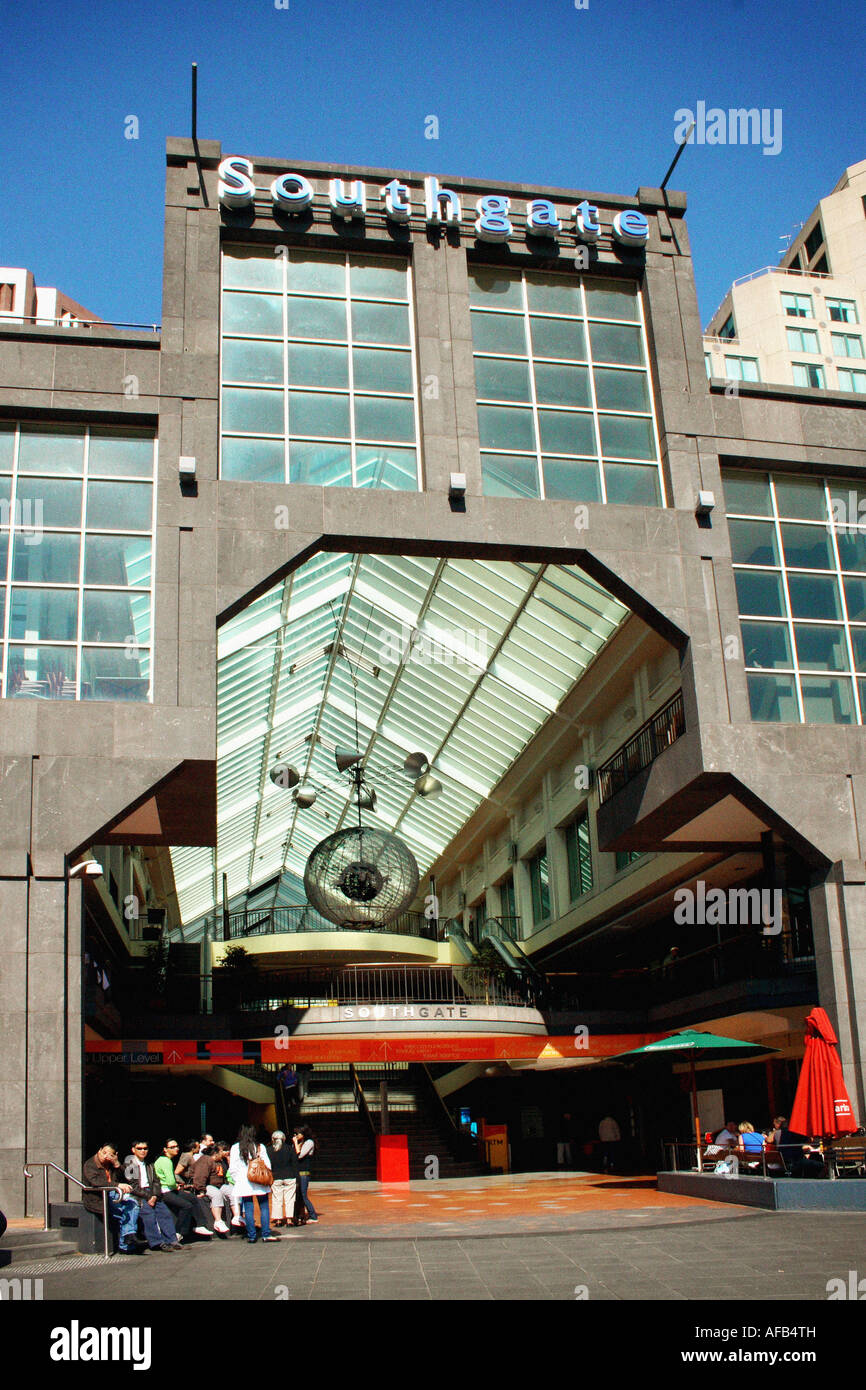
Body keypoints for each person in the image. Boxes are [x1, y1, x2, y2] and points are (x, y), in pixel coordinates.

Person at [82, 1144, 146, 1255]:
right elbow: (96, 1182)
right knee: (125, 1212)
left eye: (110, 1154)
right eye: (104, 1152)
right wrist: (117, 1185)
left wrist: (117, 1164)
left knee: (133, 1205)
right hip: (98, 1198)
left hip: (113, 1194)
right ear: (100, 1150)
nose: (106, 1156)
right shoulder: (90, 1164)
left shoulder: (111, 1163)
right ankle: (126, 1243)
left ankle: (128, 1238)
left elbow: (127, 1177)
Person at [123, 1140, 186, 1252]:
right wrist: (148, 1197)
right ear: (133, 1150)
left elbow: (156, 1181)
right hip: (139, 1194)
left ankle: (172, 1240)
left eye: (145, 1148)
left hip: (152, 1192)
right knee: (148, 1214)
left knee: (164, 1213)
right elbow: (133, 1185)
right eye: (139, 1148)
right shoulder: (129, 1163)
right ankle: (156, 1242)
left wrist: (155, 1195)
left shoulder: (149, 1164)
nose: (143, 1151)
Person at [154, 1139, 213, 1239]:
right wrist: (176, 1185)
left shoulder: (165, 1160)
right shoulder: (166, 1161)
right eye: (172, 1147)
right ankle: (178, 1232)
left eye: (176, 1146)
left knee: (193, 1198)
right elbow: (170, 1181)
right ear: (165, 1149)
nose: (176, 1149)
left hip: (170, 1189)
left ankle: (199, 1225)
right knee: (187, 1206)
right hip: (165, 1191)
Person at [228, 1124, 277, 1243]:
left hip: (243, 1182)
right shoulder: (260, 1147)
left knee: (248, 1208)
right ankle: (266, 1234)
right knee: (264, 1207)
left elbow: (232, 1167)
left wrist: (237, 1179)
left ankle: (252, 1235)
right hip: (259, 1181)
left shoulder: (235, 1148)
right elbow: (267, 1165)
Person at [191, 1141, 232, 1234]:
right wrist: (201, 1190)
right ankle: (218, 1221)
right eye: (222, 1152)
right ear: (216, 1153)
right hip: (207, 1186)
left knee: (232, 1192)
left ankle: (237, 1217)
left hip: (219, 1185)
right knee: (217, 1195)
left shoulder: (221, 1161)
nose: (224, 1154)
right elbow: (200, 1176)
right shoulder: (206, 1160)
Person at [269, 1130, 298, 1227]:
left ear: (273, 1139)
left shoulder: (269, 1150)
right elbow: (295, 1164)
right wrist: (297, 1177)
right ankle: (289, 1220)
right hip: (289, 1176)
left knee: (277, 1199)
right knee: (289, 1199)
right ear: (284, 1139)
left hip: (276, 1177)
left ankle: (278, 1220)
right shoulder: (290, 1149)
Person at [293, 1124, 319, 1223]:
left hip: (304, 1173)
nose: (296, 1136)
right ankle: (300, 1214)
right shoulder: (300, 1142)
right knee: (298, 1195)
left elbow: (299, 1155)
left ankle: (313, 1215)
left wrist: (295, 1144)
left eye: (298, 1134)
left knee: (303, 1195)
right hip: (297, 1172)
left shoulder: (309, 1142)